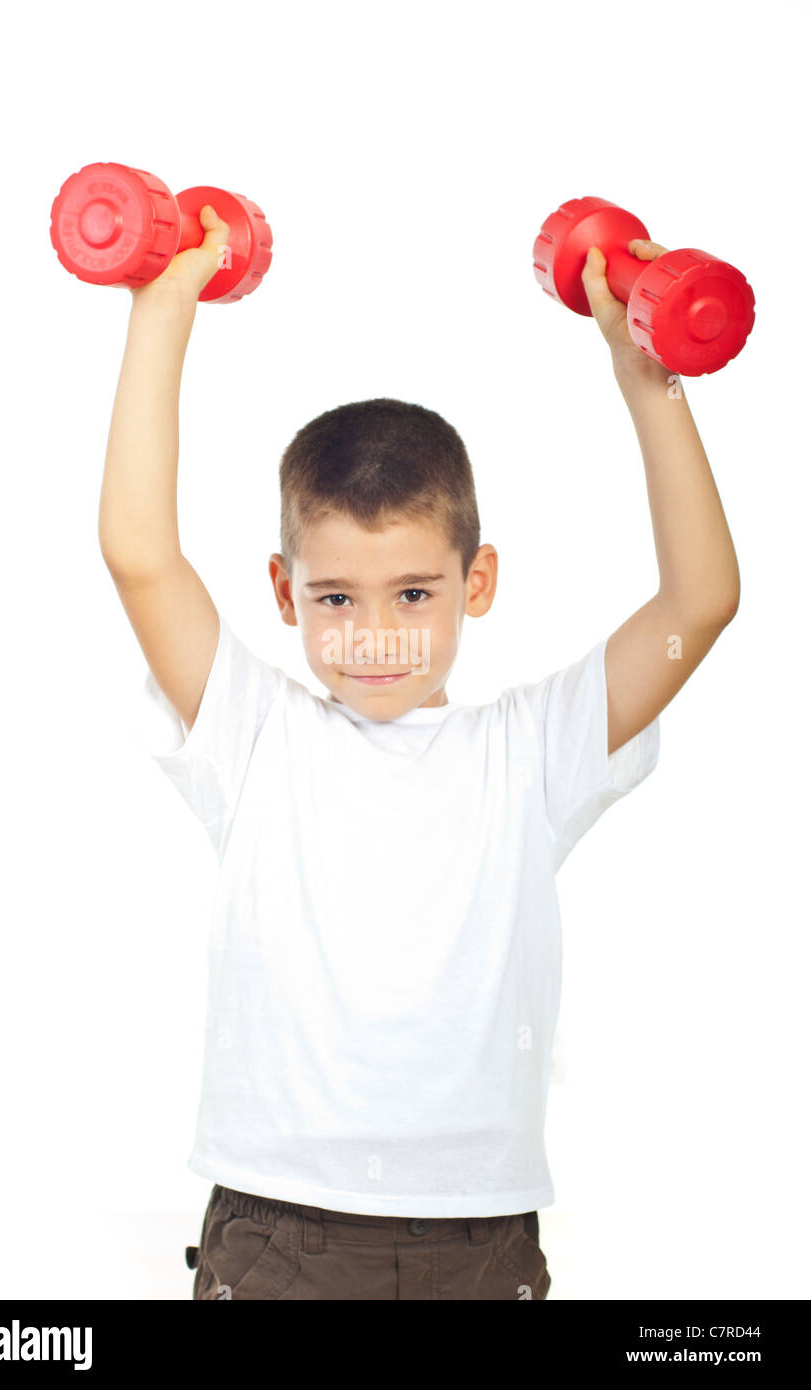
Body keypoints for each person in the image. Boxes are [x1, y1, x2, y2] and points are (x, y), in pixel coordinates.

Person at [98, 208, 740, 1300]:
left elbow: (700, 603)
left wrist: (651, 383)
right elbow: (141, 555)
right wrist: (160, 309)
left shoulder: (535, 750)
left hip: (477, 1241)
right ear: (282, 593)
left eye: (414, 593)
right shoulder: (255, 735)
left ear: (475, 585)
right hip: (277, 1228)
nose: (374, 631)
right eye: (334, 597)